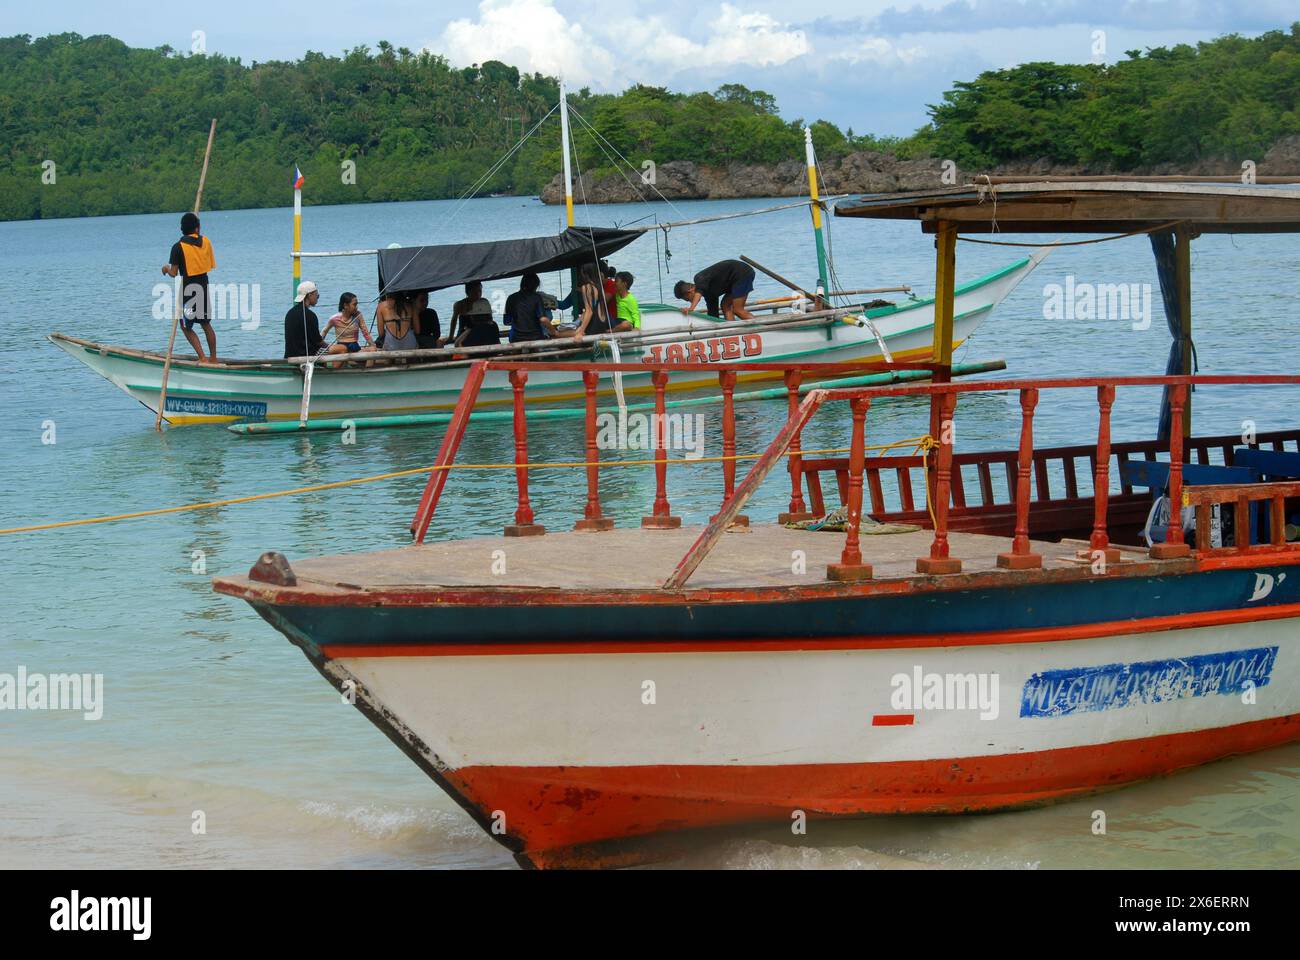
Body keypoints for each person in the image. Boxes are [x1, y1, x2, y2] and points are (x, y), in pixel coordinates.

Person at [162, 212, 218, 362]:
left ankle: (202, 358)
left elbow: (174, 273)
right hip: (204, 285)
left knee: (186, 326)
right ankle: (213, 358)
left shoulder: (178, 247)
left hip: (188, 289)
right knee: (206, 324)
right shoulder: (206, 242)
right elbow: (209, 264)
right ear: (197, 228)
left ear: (182, 229)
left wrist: (166, 268)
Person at [674, 259, 756, 321]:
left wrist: (691, 309)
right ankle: (732, 329)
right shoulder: (709, 295)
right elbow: (713, 315)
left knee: (738, 309)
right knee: (725, 305)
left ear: (690, 290)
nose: (690, 301)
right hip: (733, 281)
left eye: (688, 299)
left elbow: (698, 294)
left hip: (741, 273)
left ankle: (761, 326)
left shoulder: (699, 279)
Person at [503, 273, 555, 342]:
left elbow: (506, 321)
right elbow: (543, 319)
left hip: (516, 338)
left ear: (522, 284)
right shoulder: (537, 297)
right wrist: (554, 332)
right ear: (536, 286)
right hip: (535, 337)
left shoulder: (511, 298)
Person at [284, 280, 323, 359]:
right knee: (341, 349)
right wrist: (330, 346)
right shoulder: (310, 315)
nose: (317, 298)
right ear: (309, 295)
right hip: (307, 356)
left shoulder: (289, 313)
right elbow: (318, 342)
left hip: (289, 356)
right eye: (317, 295)